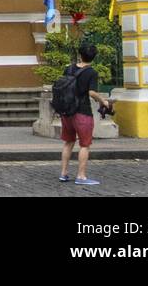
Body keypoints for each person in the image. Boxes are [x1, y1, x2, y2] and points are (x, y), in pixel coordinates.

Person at [58, 42, 112, 186]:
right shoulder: (92, 72)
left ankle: (63, 173)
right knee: (84, 144)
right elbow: (91, 92)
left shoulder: (68, 69)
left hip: (66, 111)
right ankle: (81, 176)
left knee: (68, 142)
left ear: (80, 54)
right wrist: (103, 101)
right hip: (82, 112)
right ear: (94, 57)